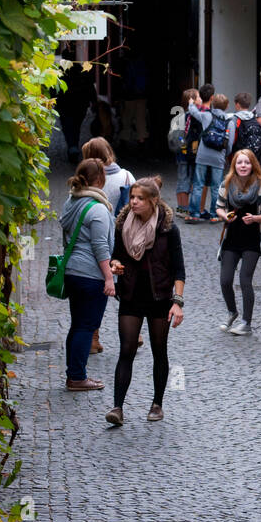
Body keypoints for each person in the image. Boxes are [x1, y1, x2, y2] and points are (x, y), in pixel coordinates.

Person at [105, 177, 185, 426]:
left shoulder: (168, 229)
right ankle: (117, 407)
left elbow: (179, 269)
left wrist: (177, 302)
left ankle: (157, 404)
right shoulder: (122, 225)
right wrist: (115, 266)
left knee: (159, 351)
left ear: (153, 201)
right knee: (126, 349)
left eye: (140, 198)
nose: (134, 202)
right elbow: (115, 257)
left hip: (160, 297)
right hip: (130, 294)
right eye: (132, 197)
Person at [59, 158, 115, 391]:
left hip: (72, 271)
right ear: (100, 179)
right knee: (86, 326)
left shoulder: (71, 202)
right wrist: (109, 277)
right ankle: (78, 377)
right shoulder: (97, 208)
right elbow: (100, 247)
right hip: (91, 275)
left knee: (77, 325)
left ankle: (73, 374)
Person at [80, 137, 137, 355]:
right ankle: (135, 332)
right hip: (123, 238)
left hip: (98, 238)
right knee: (126, 285)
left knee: (99, 288)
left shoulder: (86, 180)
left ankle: (94, 337)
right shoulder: (126, 175)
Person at [216, 150, 261, 337]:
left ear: (252, 164)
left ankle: (246, 323)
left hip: (252, 241)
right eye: (240, 163)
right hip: (231, 239)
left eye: (247, 162)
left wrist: (255, 218)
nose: (243, 166)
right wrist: (225, 216)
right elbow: (219, 207)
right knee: (225, 281)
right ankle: (232, 312)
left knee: (245, 281)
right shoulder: (226, 185)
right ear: (234, 166)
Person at [186, 92, 235, 222]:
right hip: (218, 157)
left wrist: (191, 103)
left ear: (213, 103)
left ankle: (195, 214)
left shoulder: (207, 115)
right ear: (227, 106)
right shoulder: (230, 122)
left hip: (202, 156)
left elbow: (193, 112)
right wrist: (224, 155)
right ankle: (214, 215)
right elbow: (229, 144)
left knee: (198, 185)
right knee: (216, 187)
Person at [174, 88, 201, 217]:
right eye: (199, 97)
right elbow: (180, 136)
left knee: (184, 181)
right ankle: (183, 209)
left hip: (185, 153)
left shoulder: (184, 116)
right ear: (192, 100)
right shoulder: (188, 117)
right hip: (186, 154)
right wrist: (185, 148)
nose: (201, 99)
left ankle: (183, 209)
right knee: (184, 181)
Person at [231, 91, 261, 164]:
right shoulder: (254, 118)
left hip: (239, 154)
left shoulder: (235, 119)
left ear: (237, 105)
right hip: (253, 155)